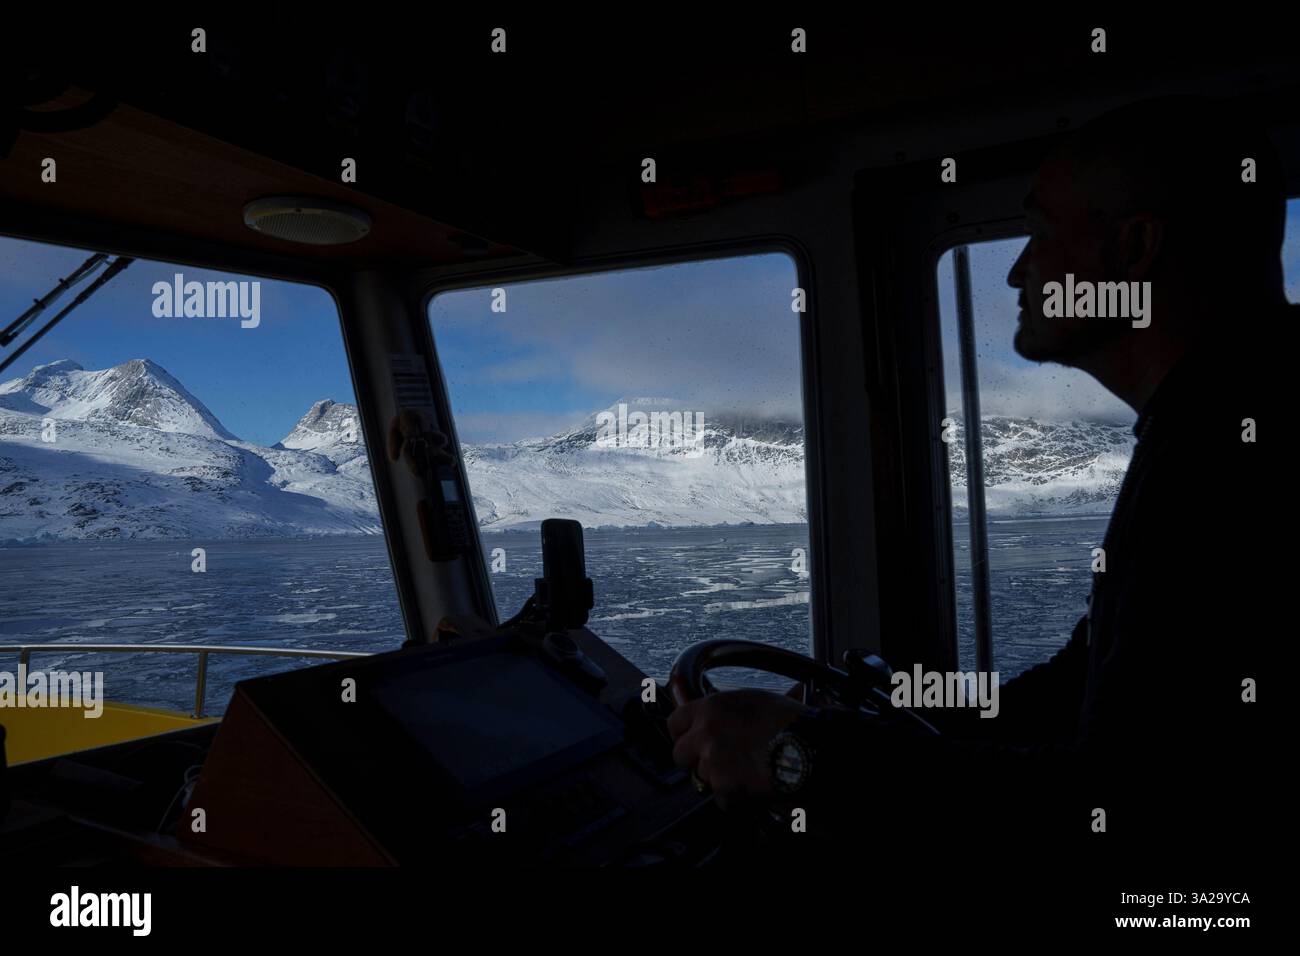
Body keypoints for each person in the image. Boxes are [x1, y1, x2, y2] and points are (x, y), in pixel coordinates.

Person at [667, 95, 1287, 864]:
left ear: (1134, 249)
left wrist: (804, 759)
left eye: (1039, 231)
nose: (1019, 272)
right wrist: (888, 709)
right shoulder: (1210, 418)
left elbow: (1139, 806)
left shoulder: (1235, 455)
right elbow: (1071, 690)